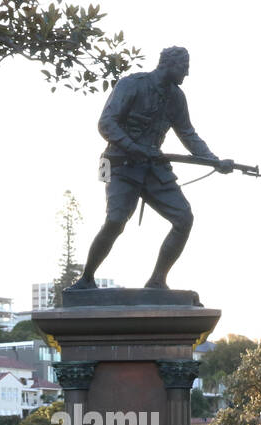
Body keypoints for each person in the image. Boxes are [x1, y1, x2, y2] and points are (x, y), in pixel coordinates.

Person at [66, 46, 234, 292]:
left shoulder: (177, 97)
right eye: (183, 68)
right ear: (168, 64)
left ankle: (157, 280)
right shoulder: (131, 84)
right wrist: (134, 147)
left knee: (184, 218)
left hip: (153, 168)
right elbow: (106, 123)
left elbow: (188, 133)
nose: (186, 74)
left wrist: (214, 161)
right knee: (115, 220)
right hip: (117, 163)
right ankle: (87, 279)